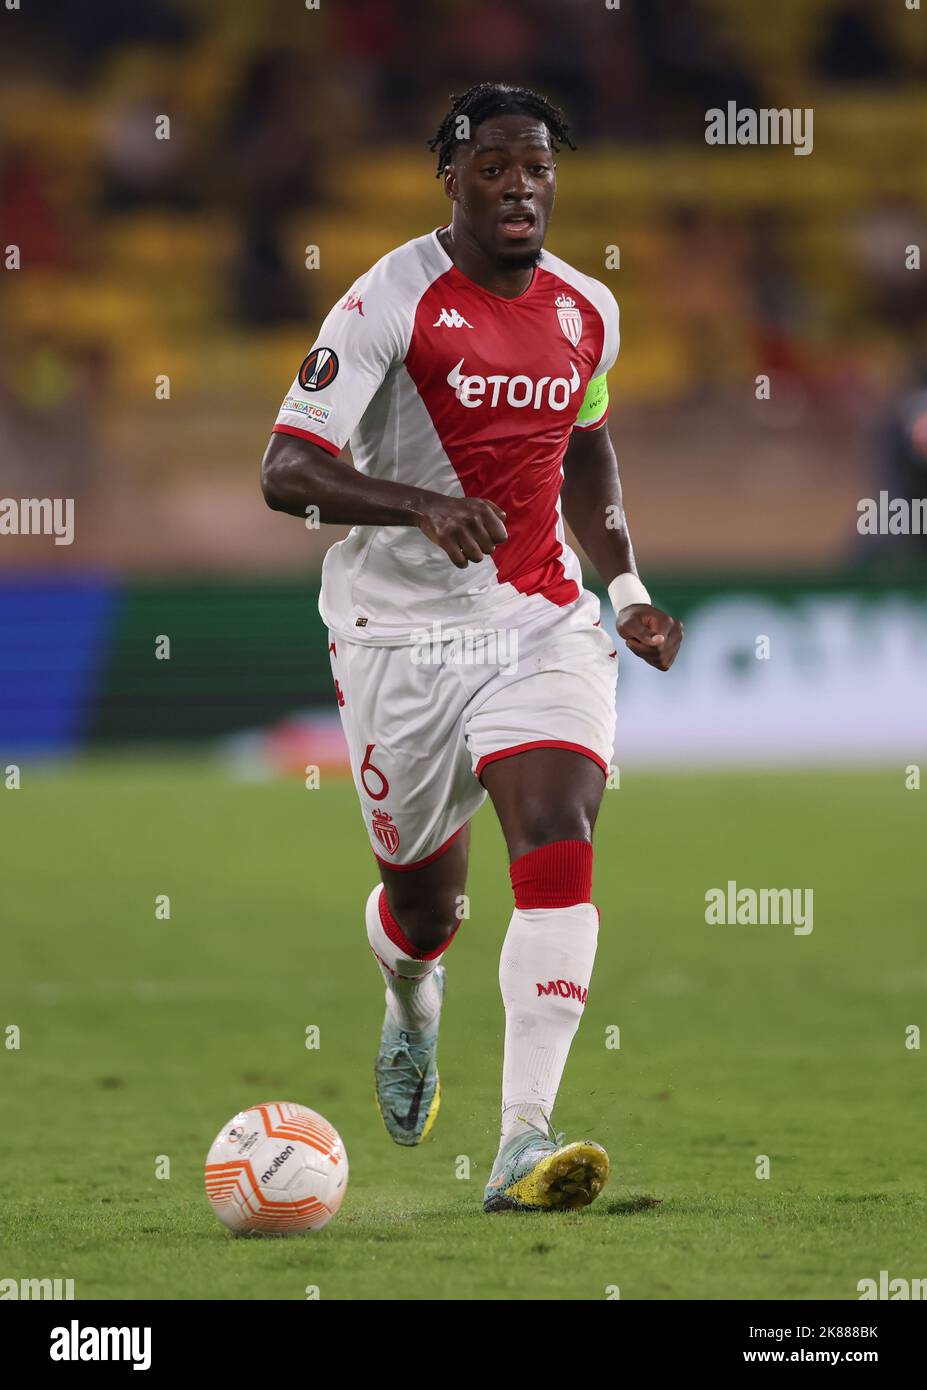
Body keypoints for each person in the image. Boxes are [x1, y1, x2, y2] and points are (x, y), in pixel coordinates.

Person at [261, 82, 683, 1213]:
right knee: (426, 908)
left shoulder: (586, 308)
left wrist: (627, 586)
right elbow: (283, 470)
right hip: (395, 636)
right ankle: (409, 1001)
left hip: (539, 620)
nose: (520, 187)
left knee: (557, 833)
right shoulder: (386, 300)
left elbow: (586, 447)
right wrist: (417, 504)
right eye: (495, 167)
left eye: (537, 168)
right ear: (450, 175)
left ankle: (520, 1140)